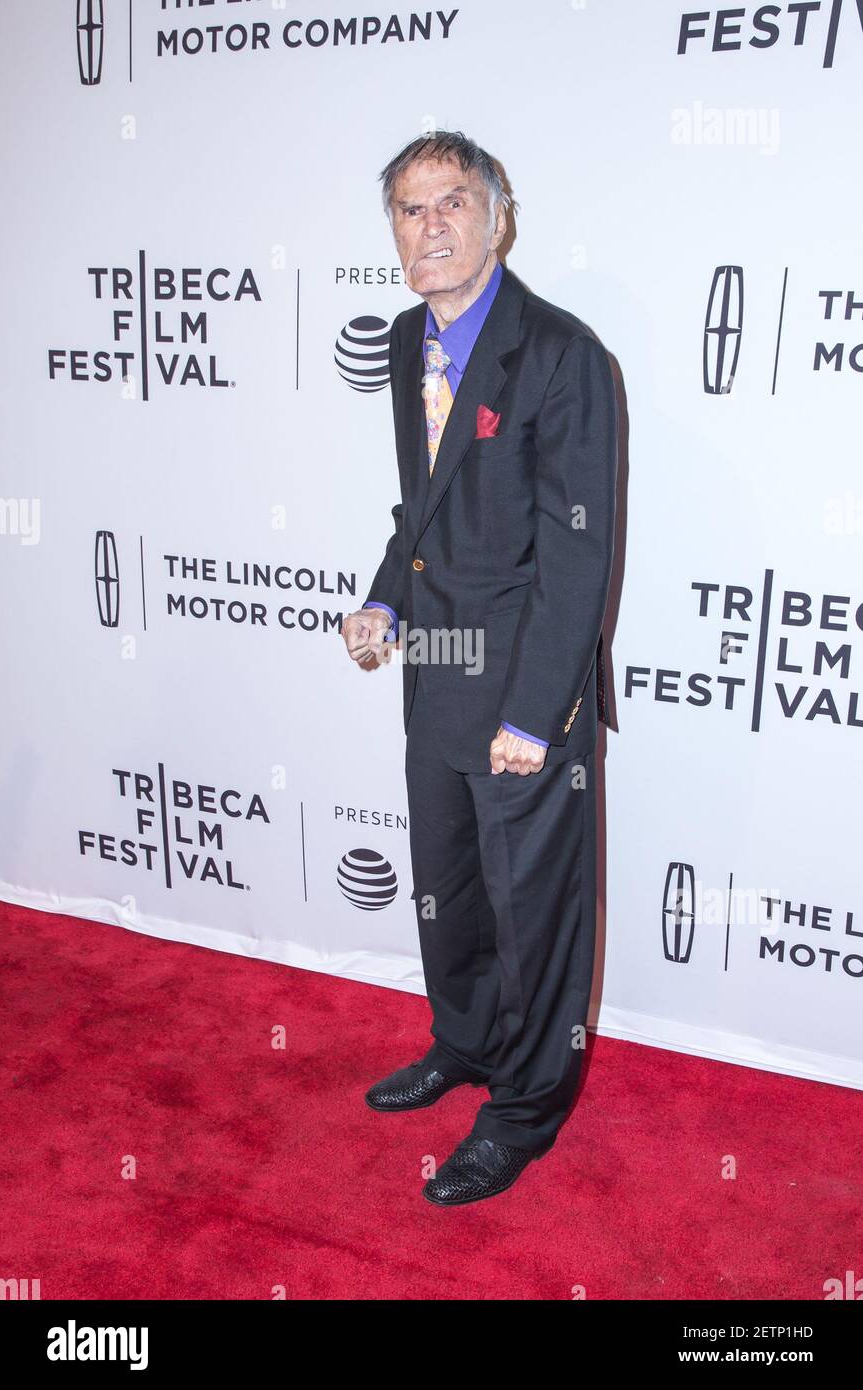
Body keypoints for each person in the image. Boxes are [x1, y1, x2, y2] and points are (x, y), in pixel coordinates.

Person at [341, 130, 618, 1205]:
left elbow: (577, 548)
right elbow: (427, 511)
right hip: (438, 667)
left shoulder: (560, 353)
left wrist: (538, 710)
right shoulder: (412, 336)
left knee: (534, 908)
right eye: (411, 210)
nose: (432, 225)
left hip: (524, 693)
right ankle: (463, 1040)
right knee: (447, 890)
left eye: (453, 202)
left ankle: (525, 1106)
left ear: (498, 217)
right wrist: (383, 599)